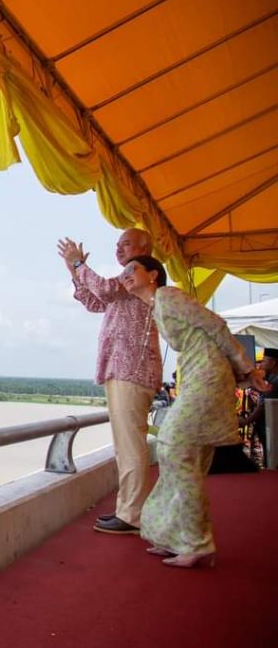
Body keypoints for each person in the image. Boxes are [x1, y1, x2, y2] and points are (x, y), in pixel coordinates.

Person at [119, 255, 267, 568]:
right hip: (199, 373)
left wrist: (247, 368)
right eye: (123, 271)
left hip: (207, 375)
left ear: (153, 274)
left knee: (173, 446)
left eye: (133, 269)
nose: (125, 274)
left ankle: (195, 541)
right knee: (186, 455)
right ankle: (176, 536)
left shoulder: (168, 296)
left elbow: (215, 325)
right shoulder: (157, 306)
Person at [58, 229, 162, 535]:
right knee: (126, 446)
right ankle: (128, 509)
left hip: (131, 371)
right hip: (122, 371)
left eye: (126, 244)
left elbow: (102, 291)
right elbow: (93, 302)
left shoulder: (136, 277)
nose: (119, 249)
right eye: (117, 245)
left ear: (145, 247)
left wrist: (78, 265)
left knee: (130, 446)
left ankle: (132, 514)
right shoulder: (128, 284)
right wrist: (75, 272)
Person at [240, 347, 277, 463]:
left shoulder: (275, 381)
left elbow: (262, 404)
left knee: (272, 454)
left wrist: (246, 421)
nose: (261, 364)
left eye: (264, 361)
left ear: (273, 362)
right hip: (266, 423)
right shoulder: (270, 377)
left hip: (271, 424)